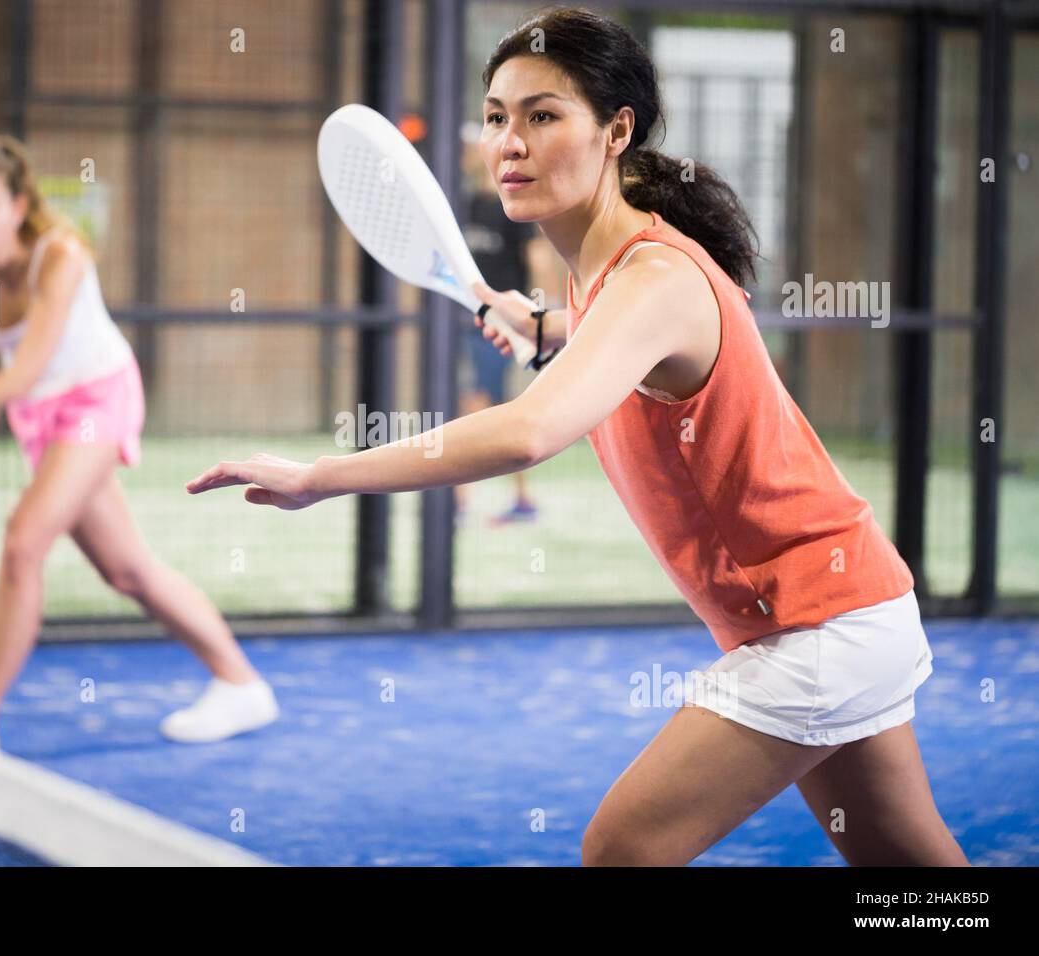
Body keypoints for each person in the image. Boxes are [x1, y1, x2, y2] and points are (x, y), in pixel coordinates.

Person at [183, 9, 969, 866]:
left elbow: (528, 431)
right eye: (495, 117)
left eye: (543, 115)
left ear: (615, 131)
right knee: (912, 875)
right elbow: (614, 349)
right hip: (846, 609)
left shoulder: (653, 276)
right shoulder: (607, 277)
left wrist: (323, 476)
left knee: (622, 850)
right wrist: (545, 326)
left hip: (815, 623)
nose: (509, 143)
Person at [0, 136, 278, 750]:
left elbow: (17, 376)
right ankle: (242, 686)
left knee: (23, 541)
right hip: (39, 418)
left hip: (99, 397)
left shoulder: (62, 255)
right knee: (126, 570)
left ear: (19, 206)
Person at [456, 122, 545, 524]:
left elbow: (537, 260)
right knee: (486, 407)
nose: (464, 155)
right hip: (470, 323)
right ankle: (518, 499)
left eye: (468, 147)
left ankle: (460, 500)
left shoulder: (511, 208)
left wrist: (543, 313)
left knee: (480, 405)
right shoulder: (463, 206)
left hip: (504, 325)